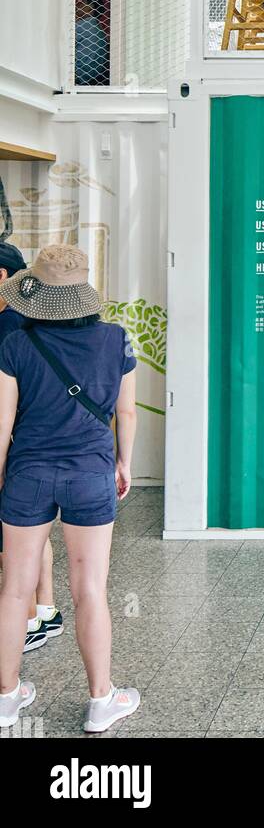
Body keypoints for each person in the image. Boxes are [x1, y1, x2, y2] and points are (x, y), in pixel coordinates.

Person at [0, 245, 139, 733]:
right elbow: (125, 413)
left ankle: (6, 698)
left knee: (15, 589)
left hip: (28, 474)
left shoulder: (16, 345)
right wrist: (123, 463)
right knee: (90, 590)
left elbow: (3, 421)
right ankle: (102, 700)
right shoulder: (115, 339)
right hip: (90, 472)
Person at [0, 242, 63, 653]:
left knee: (11, 539)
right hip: (34, 441)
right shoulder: (28, 318)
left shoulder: (8, 326)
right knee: (32, 531)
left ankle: (24, 623)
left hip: (15, 443)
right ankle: (46, 611)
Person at [74, 0, 109, 86]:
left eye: (83, 3)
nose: (78, 4)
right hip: (92, 77)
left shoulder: (83, 26)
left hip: (78, 74)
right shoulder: (98, 28)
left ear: (90, 9)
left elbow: (61, 43)